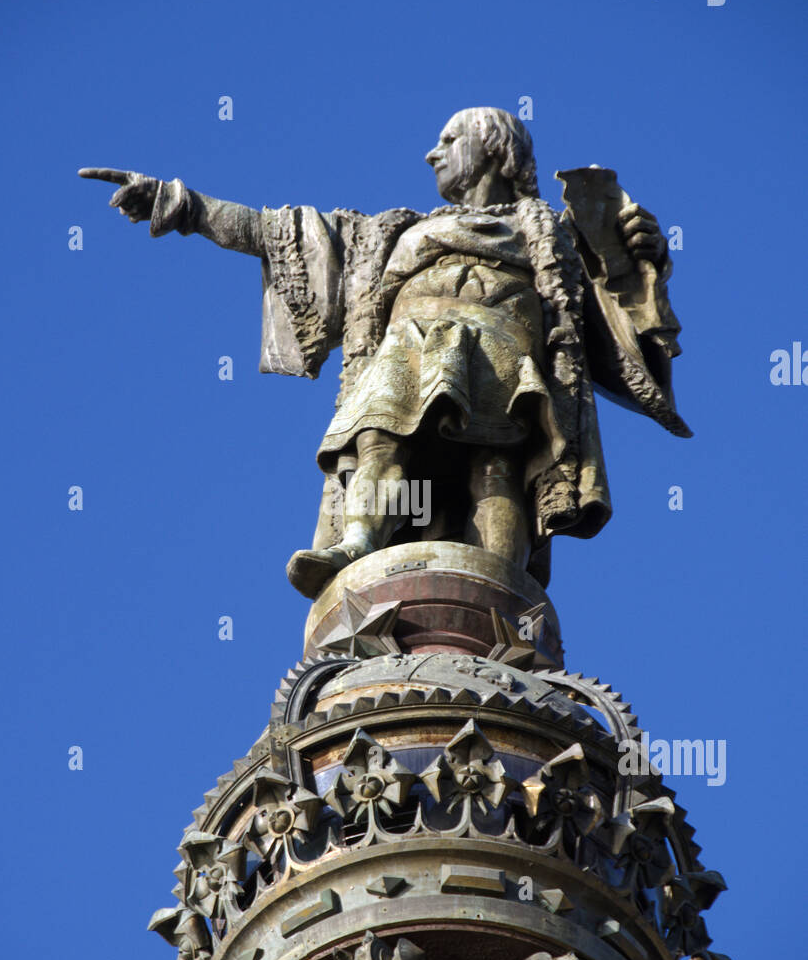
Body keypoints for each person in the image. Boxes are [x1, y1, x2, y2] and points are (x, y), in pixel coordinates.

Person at [81, 107, 688, 598]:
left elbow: (622, 300)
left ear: (495, 148)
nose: (432, 152)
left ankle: (501, 585)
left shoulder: (551, 232)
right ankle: (362, 542)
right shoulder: (389, 232)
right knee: (377, 432)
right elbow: (279, 232)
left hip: (503, 347)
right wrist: (180, 204)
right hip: (408, 346)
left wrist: (641, 252)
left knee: (496, 464)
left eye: (449, 139)